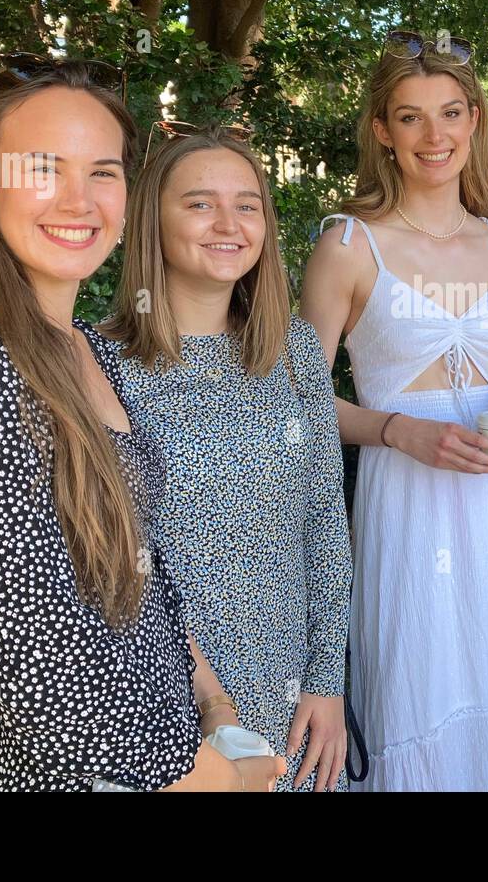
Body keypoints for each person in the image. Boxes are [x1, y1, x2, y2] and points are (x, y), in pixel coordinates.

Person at [0, 55, 283, 792]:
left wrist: (214, 702)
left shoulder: (91, 348)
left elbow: (143, 568)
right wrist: (216, 780)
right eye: (44, 167)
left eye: (102, 171)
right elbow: (41, 663)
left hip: (173, 750)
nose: (79, 200)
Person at [300, 31, 488, 791]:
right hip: (409, 505)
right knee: (421, 687)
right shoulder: (348, 246)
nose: (435, 136)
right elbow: (291, 402)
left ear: (475, 121)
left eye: (451, 113)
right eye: (411, 117)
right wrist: (396, 429)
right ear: (381, 132)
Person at [102, 125, 352, 792]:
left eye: (247, 204)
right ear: (152, 218)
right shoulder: (102, 364)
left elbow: (324, 517)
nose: (228, 223)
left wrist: (329, 679)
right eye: (200, 203)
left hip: (293, 694)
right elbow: (107, 560)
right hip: (165, 692)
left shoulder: (294, 349)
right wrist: (204, 698)